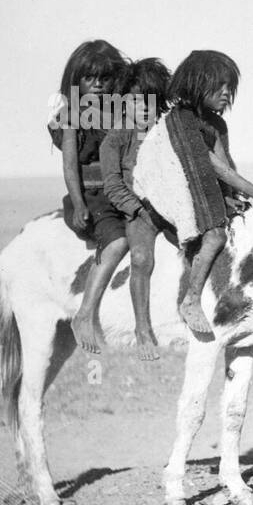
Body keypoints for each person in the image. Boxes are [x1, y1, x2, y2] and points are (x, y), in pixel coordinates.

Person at [161, 51, 253, 339]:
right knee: (215, 234)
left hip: (206, 187)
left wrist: (235, 197)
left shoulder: (217, 125)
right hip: (180, 189)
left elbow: (225, 162)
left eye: (230, 87)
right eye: (219, 86)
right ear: (196, 84)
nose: (227, 92)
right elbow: (206, 162)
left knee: (252, 226)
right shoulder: (180, 119)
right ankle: (191, 300)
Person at [48, 39, 130, 354]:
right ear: (77, 80)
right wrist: (79, 203)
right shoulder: (71, 114)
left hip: (120, 191)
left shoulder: (119, 111)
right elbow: (70, 166)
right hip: (92, 196)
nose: (97, 84)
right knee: (119, 241)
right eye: (89, 78)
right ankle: (85, 314)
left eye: (104, 78)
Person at [99, 57, 172, 361]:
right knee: (141, 258)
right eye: (135, 100)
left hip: (170, 206)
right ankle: (143, 328)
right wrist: (138, 210)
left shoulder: (167, 134)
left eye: (150, 102)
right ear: (124, 103)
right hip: (139, 211)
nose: (143, 107)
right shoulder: (115, 139)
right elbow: (114, 185)